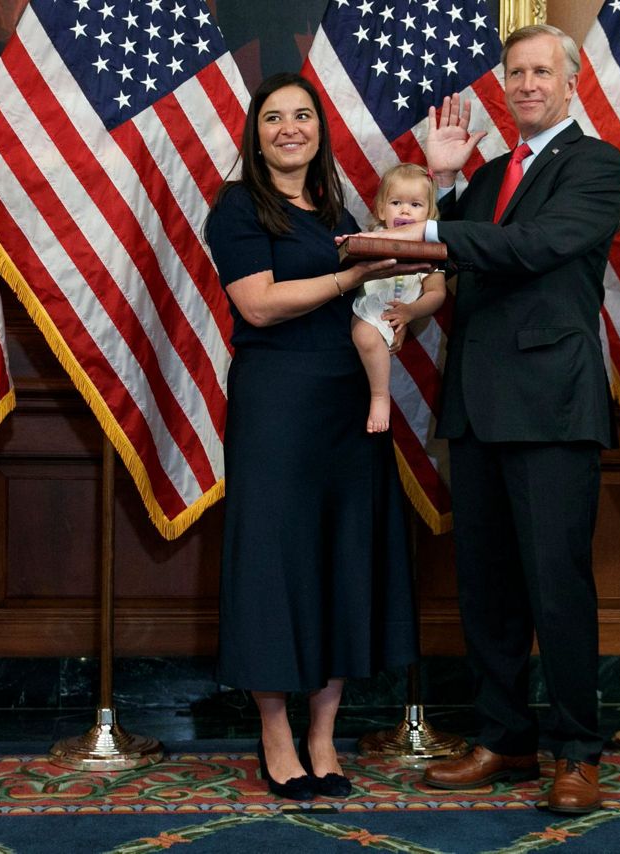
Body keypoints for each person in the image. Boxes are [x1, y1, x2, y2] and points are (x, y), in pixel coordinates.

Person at [367, 25, 620, 813]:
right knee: (486, 589)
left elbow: (536, 246)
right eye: (515, 72)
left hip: (552, 406)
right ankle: (505, 738)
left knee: (557, 589)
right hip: (477, 406)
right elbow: (447, 255)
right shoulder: (484, 179)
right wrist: (442, 186)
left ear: (572, 80)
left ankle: (577, 749)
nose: (526, 84)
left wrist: (437, 227)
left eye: (542, 71)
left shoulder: (595, 163)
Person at [204, 72, 422, 801]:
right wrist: (346, 274)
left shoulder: (336, 209)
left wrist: (439, 182)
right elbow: (259, 306)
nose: (290, 128)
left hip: (348, 401)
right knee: (274, 561)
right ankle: (275, 736)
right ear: (255, 132)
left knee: (341, 558)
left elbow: (402, 260)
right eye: (274, 118)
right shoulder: (238, 207)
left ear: (321, 129)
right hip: (276, 401)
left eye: (303, 115)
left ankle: (325, 737)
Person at [351, 164, 448, 432]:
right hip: (368, 310)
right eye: (396, 203)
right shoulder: (372, 240)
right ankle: (379, 395)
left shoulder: (429, 252)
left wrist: (410, 312)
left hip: (402, 313)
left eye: (415, 204)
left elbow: (436, 293)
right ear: (382, 209)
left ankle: (381, 394)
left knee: (375, 341)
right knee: (364, 336)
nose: (405, 210)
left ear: (429, 213)